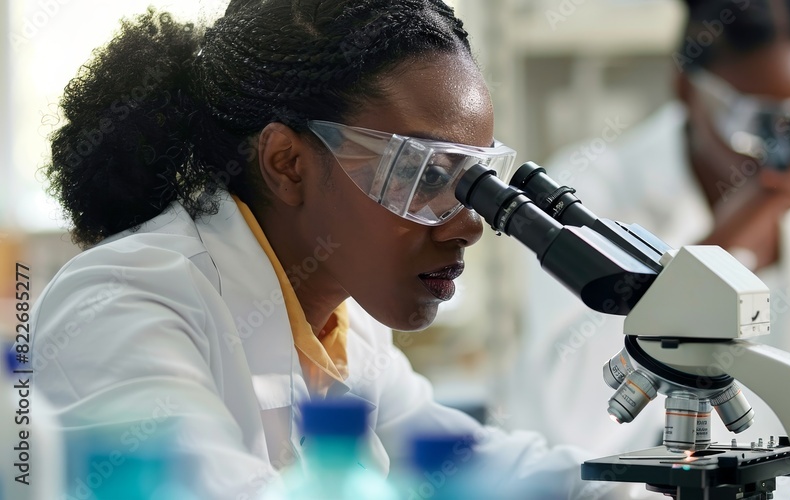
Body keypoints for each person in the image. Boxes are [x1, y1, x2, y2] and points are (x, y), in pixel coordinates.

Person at [31, 2, 616, 498]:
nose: (467, 225)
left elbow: (468, 467)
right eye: (422, 176)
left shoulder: (343, 328)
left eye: (475, 182)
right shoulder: (122, 304)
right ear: (287, 163)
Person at [503, 0, 790, 481]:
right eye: (753, 121)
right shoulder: (596, 187)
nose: (780, 144)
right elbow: (578, 422)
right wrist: (716, 251)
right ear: (685, 87)